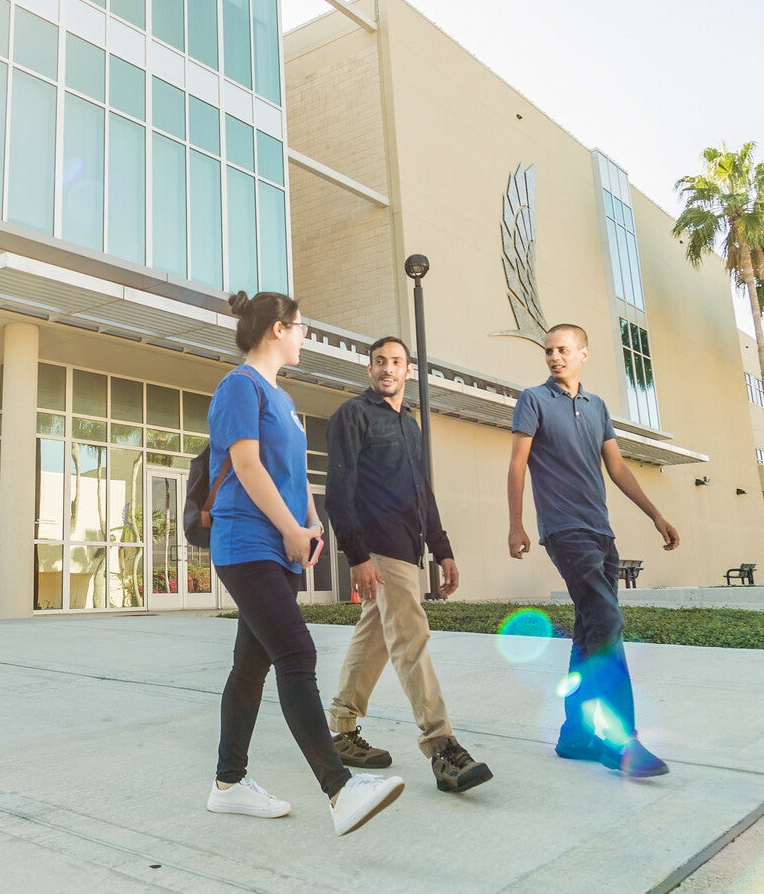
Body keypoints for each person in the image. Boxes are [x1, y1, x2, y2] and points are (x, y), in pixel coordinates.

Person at [204, 290, 405, 836]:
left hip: (282, 546)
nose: (303, 336)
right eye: (299, 327)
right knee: (297, 652)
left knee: (251, 667)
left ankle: (228, 785)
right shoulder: (239, 386)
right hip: (246, 544)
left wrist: (311, 523)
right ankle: (340, 789)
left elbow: (292, 474)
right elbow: (246, 465)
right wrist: (289, 528)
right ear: (276, 329)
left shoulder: (284, 400)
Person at [505, 323, 680, 778]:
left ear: (584, 353)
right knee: (608, 620)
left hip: (601, 531)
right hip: (565, 530)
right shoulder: (534, 400)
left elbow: (617, 467)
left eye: (563, 350)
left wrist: (655, 514)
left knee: (590, 630)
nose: (554, 357)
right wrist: (515, 524)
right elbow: (517, 465)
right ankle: (625, 742)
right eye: (549, 351)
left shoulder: (597, 406)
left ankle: (575, 736)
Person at [323, 336, 493, 793]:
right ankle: (442, 747)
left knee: (375, 637)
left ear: (408, 371)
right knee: (411, 637)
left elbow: (423, 493)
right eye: (380, 361)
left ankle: (341, 729)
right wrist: (356, 555)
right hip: (379, 547)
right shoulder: (352, 415)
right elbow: (339, 492)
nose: (387, 369)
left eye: (396, 362)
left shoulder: (410, 426)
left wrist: (442, 548)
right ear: (369, 368)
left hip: (408, 546)